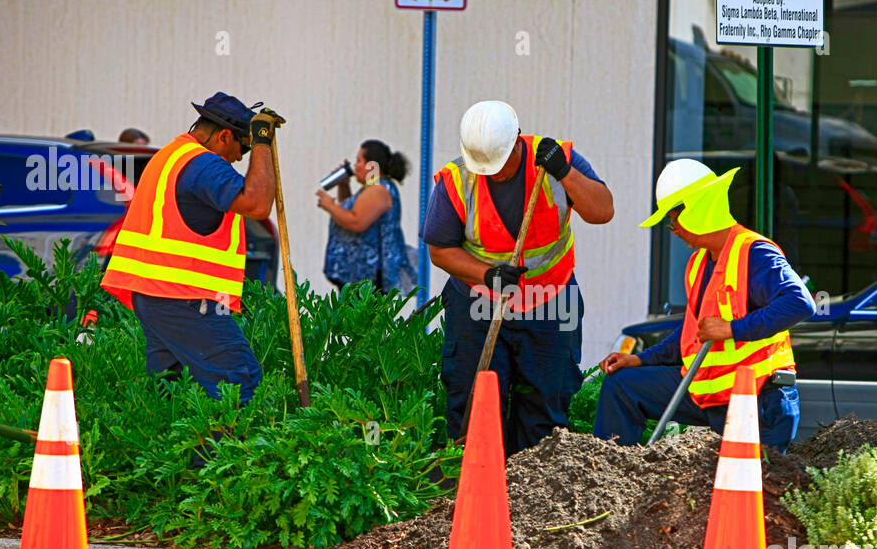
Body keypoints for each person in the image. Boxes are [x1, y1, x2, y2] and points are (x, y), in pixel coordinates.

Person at [421, 100, 615, 455]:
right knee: (475, 406)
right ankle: (476, 488)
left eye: (499, 164)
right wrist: (486, 274)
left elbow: (603, 211)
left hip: (551, 301)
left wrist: (565, 173)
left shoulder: (556, 161)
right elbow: (440, 251)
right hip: (479, 302)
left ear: (516, 141)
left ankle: (534, 495)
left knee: (546, 409)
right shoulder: (457, 178)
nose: (492, 174)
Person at [594, 159, 815, 452]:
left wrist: (732, 329)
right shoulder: (699, 262)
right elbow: (691, 334)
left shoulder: (755, 252)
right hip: (712, 393)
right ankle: (613, 482)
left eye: (671, 219)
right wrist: (642, 359)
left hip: (760, 399)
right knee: (622, 384)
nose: (672, 229)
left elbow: (800, 302)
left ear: (695, 210)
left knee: (749, 493)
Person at [101, 91, 282, 405]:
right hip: (182, 297)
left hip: (155, 295)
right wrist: (263, 142)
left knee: (170, 392)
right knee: (238, 380)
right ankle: (220, 456)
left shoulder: (170, 155)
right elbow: (257, 203)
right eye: (242, 148)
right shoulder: (203, 165)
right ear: (224, 136)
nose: (240, 159)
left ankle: (169, 454)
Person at [316, 140, 416, 291]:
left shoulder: (379, 189)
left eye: (359, 161)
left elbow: (356, 222)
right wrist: (344, 186)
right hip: (357, 274)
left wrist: (330, 206)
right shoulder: (373, 188)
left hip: (369, 277)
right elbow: (349, 212)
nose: (355, 166)